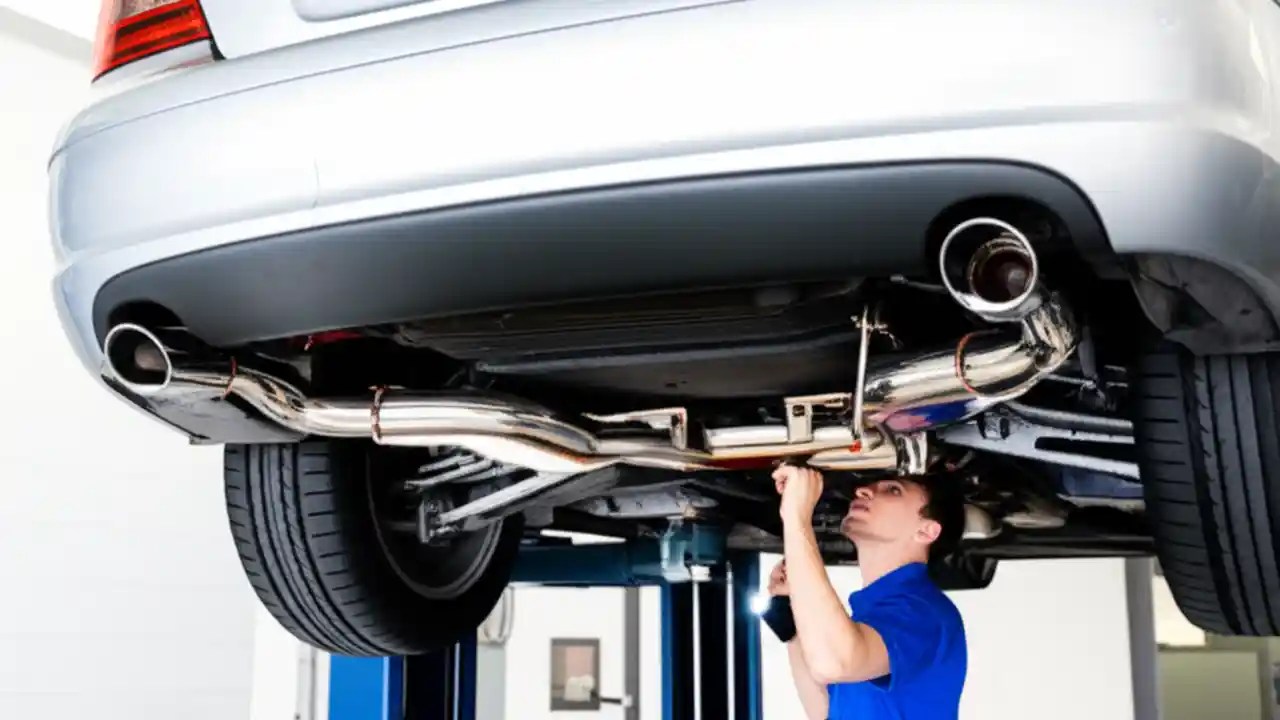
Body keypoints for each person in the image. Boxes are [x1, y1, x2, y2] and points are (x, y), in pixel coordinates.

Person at [761, 464, 968, 720]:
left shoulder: (924, 613)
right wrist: (792, 624)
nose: (862, 491)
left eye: (893, 490)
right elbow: (826, 710)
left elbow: (835, 663)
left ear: (927, 530)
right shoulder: (875, 616)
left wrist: (797, 517)